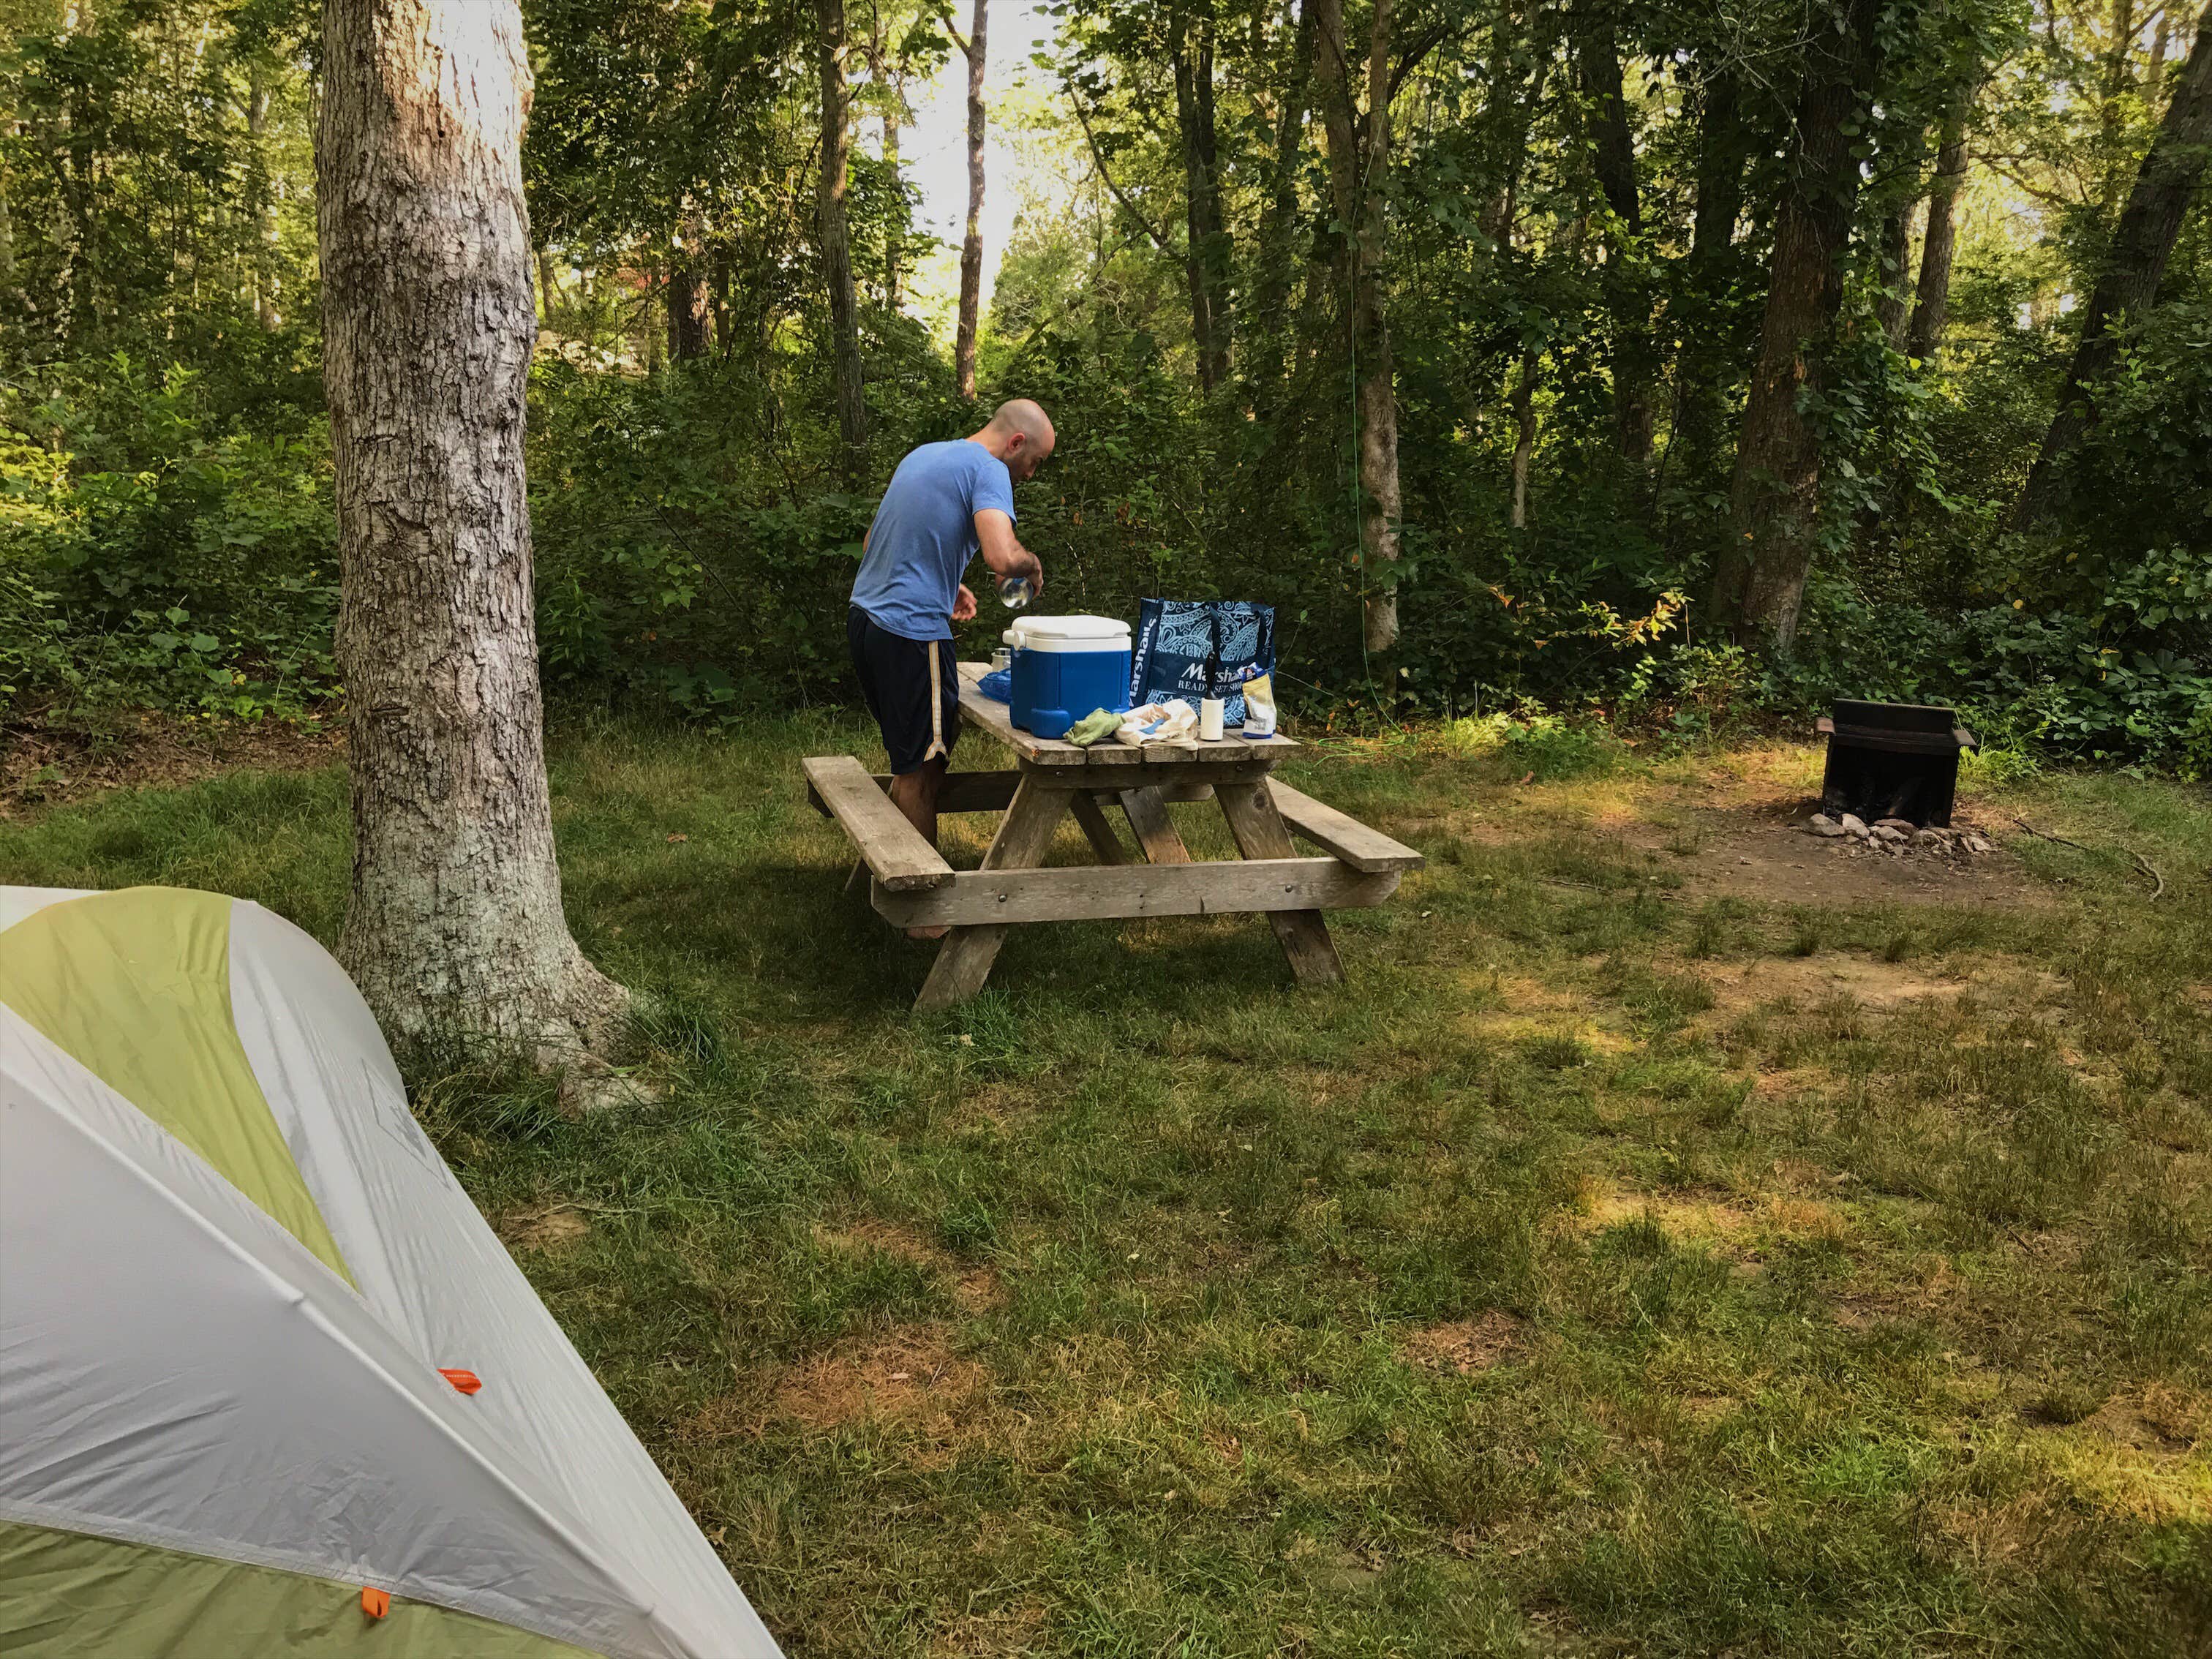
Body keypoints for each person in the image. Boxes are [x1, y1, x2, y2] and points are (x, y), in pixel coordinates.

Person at [849, 399, 1053, 934]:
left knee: (912, 756)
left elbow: (876, 543)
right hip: (910, 634)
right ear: (1014, 444)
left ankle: (897, 878)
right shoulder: (989, 470)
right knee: (923, 766)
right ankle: (923, 914)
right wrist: (1031, 567)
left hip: (867, 622)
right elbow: (1003, 559)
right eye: (1034, 462)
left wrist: (943, 581)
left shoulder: (925, 456)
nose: (1031, 474)